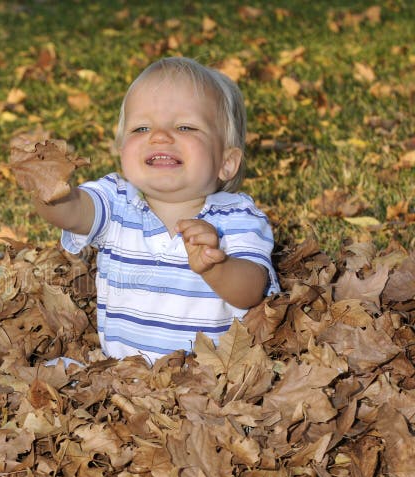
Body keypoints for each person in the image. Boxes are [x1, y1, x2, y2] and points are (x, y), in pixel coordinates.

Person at [28, 56, 280, 362]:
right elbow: (70, 213)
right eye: (141, 128)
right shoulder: (116, 201)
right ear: (122, 150)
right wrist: (46, 189)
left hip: (206, 377)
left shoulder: (237, 217)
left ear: (226, 162)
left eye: (185, 126)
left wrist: (217, 267)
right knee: (52, 373)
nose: (159, 136)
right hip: (121, 373)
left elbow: (251, 291)